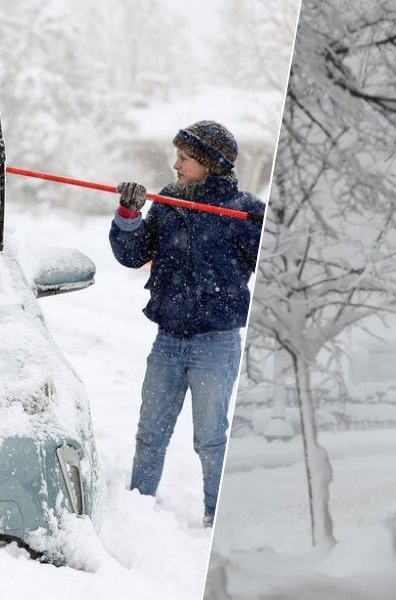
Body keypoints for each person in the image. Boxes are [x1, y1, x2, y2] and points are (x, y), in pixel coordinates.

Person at [109, 120, 264, 526]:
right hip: (168, 340)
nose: (175, 165)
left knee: (211, 440)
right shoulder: (170, 203)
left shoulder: (245, 212)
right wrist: (129, 214)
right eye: (176, 156)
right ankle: (138, 514)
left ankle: (218, 517)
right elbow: (133, 253)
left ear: (209, 164)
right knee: (150, 435)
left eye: (184, 158)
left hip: (217, 342)